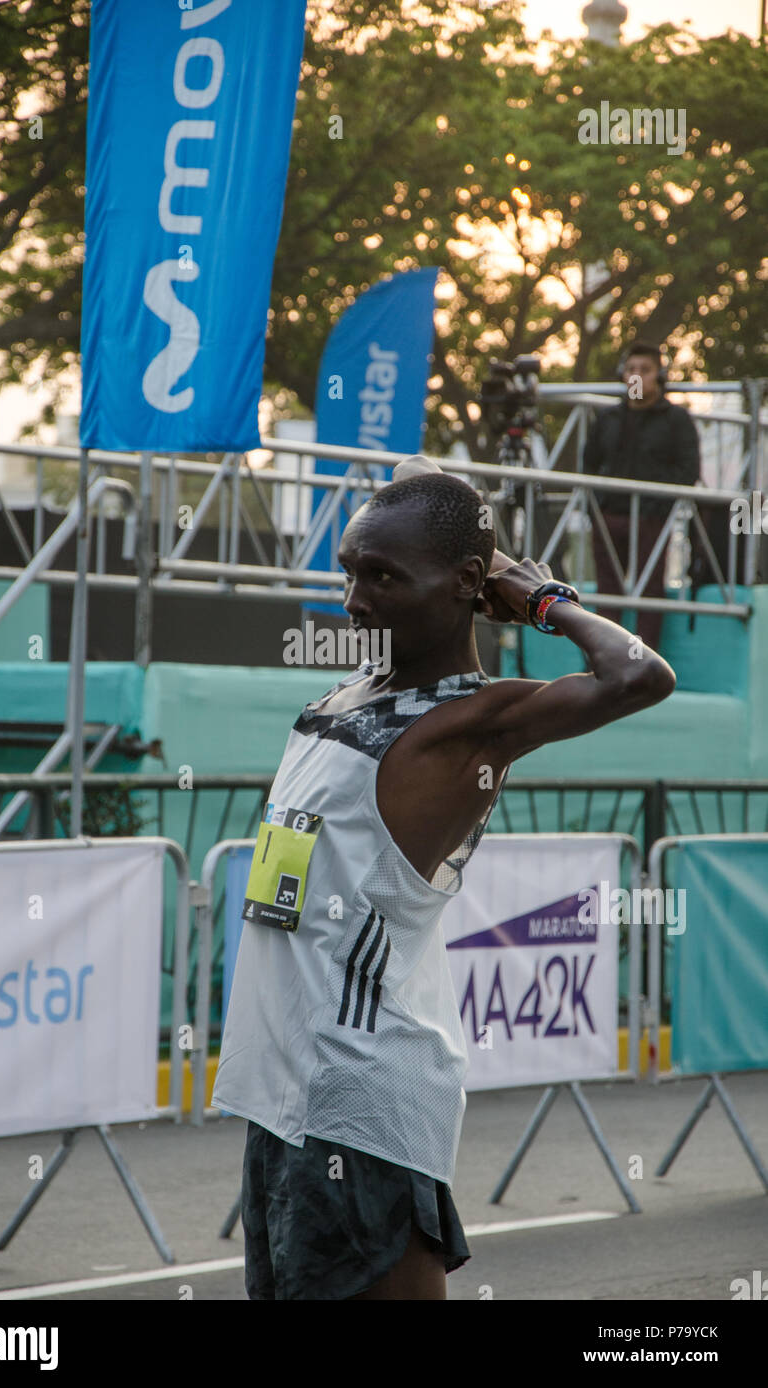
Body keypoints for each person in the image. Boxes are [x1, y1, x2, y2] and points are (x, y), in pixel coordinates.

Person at [211, 469, 676, 1301]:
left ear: (466, 581)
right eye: (350, 570)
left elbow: (637, 675)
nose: (355, 600)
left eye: (384, 576)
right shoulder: (345, 696)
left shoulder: (469, 723)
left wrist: (539, 597)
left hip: (356, 1102)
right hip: (280, 1093)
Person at [584, 341, 700, 651]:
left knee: (650, 591)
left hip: (652, 518)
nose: (636, 376)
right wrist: (596, 507)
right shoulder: (608, 418)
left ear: (659, 376)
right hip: (609, 516)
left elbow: (688, 469)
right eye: (631, 369)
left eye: (645, 370)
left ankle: (643, 666)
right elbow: (588, 464)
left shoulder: (677, 420)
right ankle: (603, 659)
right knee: (607, 592)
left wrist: (656, 504)